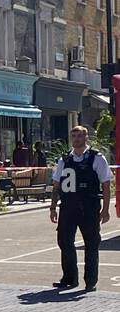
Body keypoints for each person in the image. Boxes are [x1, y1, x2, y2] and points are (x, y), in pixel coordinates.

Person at [50, 125, 113, 292]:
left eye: (79, 136)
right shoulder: (64, 160)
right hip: (68, 207)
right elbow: (56, 185)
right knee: (64, 242)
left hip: (89, 207)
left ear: (86, 138)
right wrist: (52, 207)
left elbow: (106, 185)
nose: (76, 139)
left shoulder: (96, 158)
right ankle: (70, 278)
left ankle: (90, 281)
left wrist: (105, 209)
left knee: (91, 244)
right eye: (74, 136)